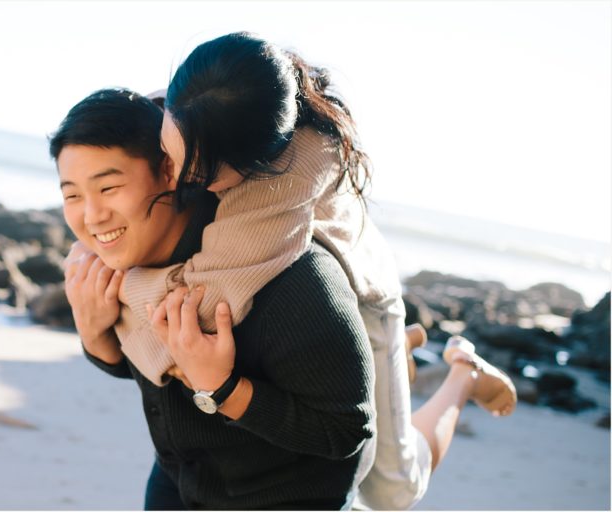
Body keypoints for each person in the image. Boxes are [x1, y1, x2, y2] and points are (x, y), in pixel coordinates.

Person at [106, 32, 518, 510]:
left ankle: (462, 375)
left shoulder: (282, 183)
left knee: (392, 492)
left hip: (362, 300)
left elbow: (201, 304)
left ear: (252, 166)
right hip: (313, 310)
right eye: (167, 146)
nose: (172, 176)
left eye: (197, 173)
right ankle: (396, 362)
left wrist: (119, 285)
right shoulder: (204, 100)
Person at [51, 88, 376, 510]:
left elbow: (346, 429)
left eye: (109, 188)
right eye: (72, 195)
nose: (92, 217)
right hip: (179, 482)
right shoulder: (118, 265)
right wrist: (94, 332)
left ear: (169, 169)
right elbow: (155, 367)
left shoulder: (287, 279)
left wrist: (224, 388)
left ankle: (455, 380)